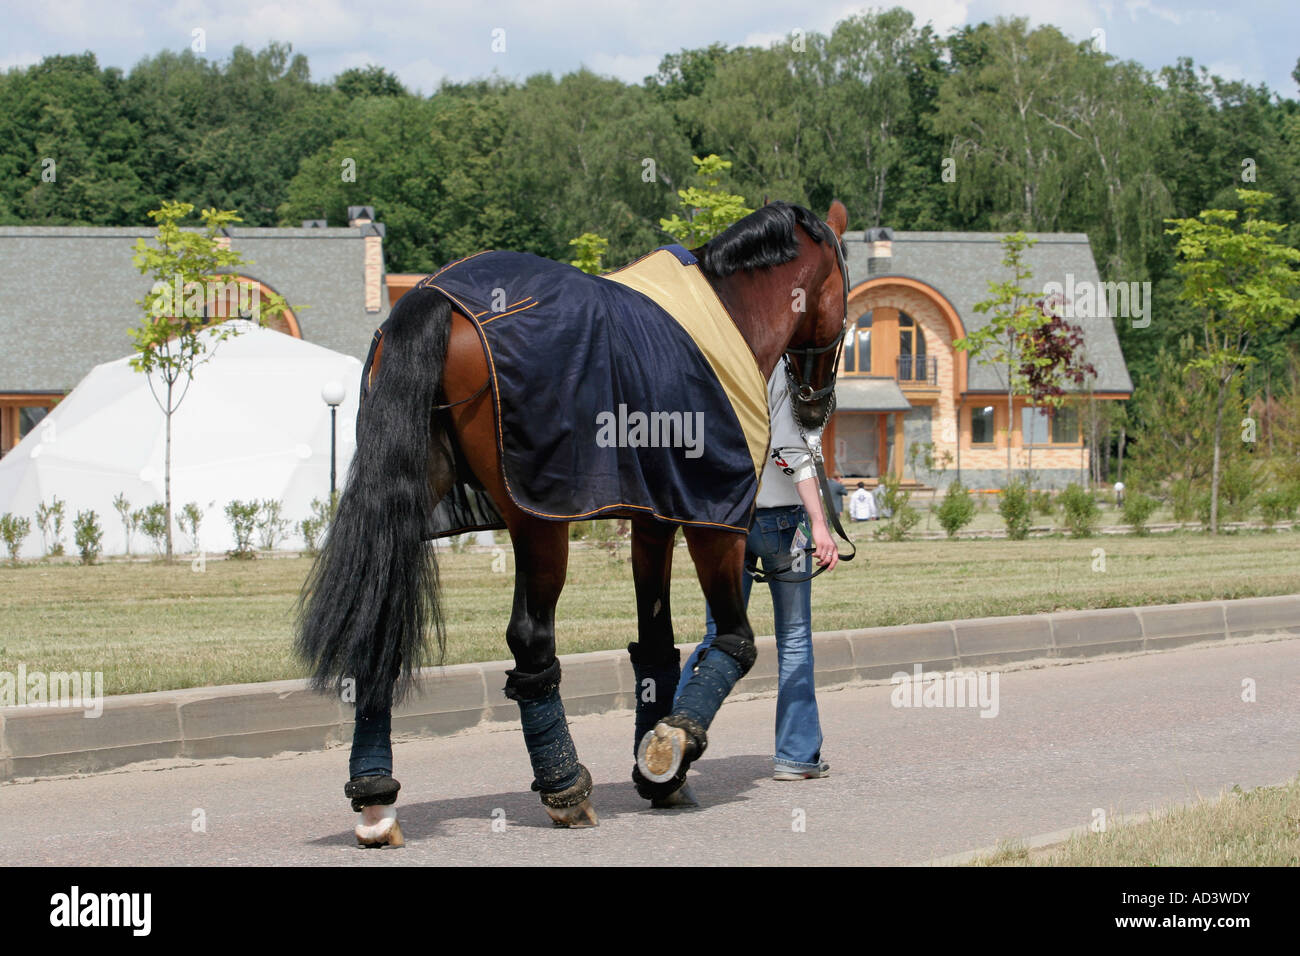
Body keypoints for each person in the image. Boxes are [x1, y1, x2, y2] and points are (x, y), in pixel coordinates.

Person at [674, 360, 839, 780]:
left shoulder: (717, 359)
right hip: (784, 522)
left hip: (726, 521)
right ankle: (797, 757)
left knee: (716, 636)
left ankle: (674, 737)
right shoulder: (779, 368)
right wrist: (820, 522)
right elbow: (789, 451)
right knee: (795, 638)